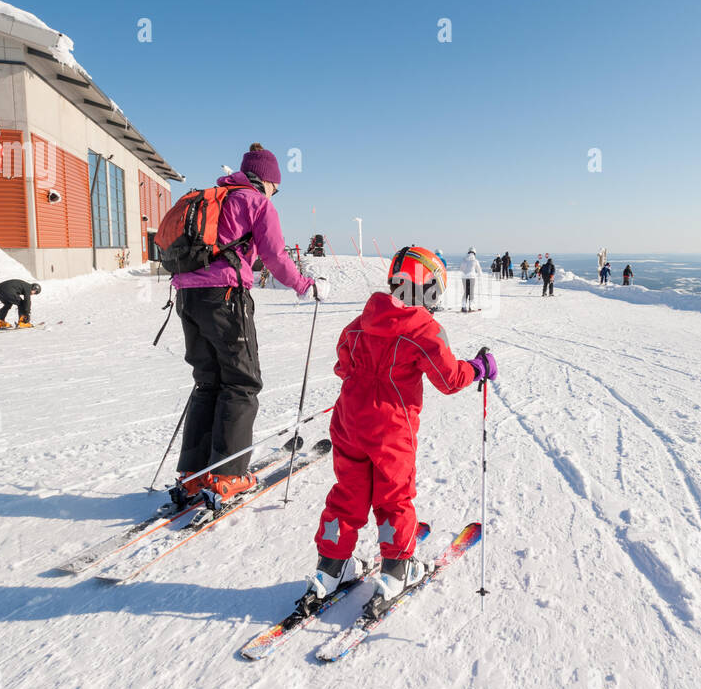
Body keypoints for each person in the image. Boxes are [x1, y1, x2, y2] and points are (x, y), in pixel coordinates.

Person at [305, 246, 497, 611]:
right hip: (391, 428)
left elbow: (342, 361)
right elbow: (448, 377)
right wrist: (478, 367)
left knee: (349, 492)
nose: (435, 301)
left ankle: (330, 569)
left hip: (348, 421)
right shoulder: (423, 327)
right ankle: (397, 570)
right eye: (434, 291)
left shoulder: (363, 319)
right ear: (424, 286)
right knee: (394, 496)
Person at [171, 143, 326, 509]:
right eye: (276, 186)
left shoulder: (211, 197)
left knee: (208, 382)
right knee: (241, 382)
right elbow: (274, 255)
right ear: (266, 180)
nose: (275, 192)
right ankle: (228, 476)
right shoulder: (256, 202)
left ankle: (192, 476)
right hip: (225, 299)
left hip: (187, 298)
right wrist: (306, 285)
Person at [460, 247, 482, 311]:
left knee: (466, 292)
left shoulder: (464, 260)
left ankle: (463, 307)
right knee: (471, 292)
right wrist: (479, 275)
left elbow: (461, 268)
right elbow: (479, 270)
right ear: (474, 253)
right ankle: (471, 307)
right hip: (472, 277)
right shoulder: (475, 260)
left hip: (464, 277)